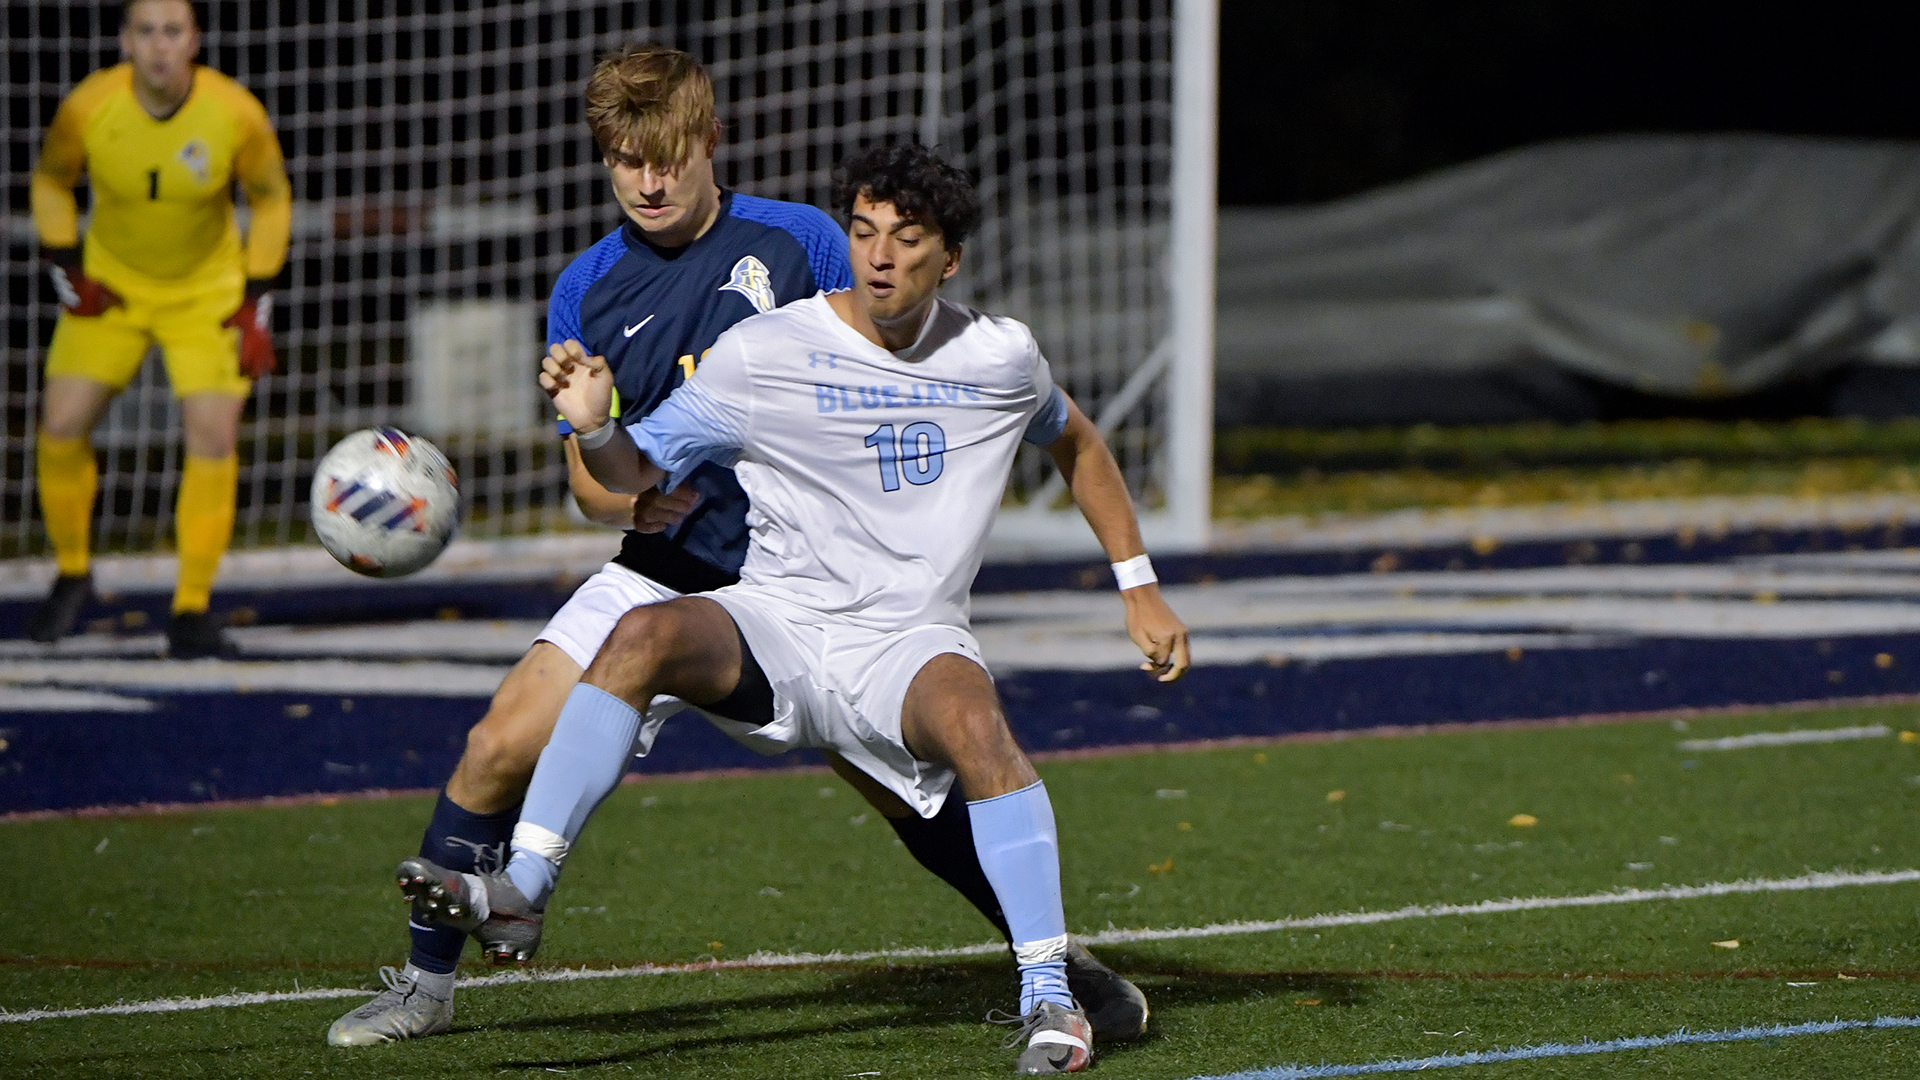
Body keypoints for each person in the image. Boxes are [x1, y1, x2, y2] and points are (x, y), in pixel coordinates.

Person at [328, 47, 1148, 1047]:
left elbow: (890, 344)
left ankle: (1060, 974)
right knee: (497, 743)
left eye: (668, 155)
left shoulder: (804, 243)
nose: (650, 181)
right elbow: (596, 485)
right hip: (673, 575)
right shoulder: (587, 288)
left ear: (713, 145)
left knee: (918, 800)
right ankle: (426, 984)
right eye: (626, 160)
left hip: (818, 580)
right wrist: (610, 475)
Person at [28, 0, 291, 658]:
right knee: (61, 424)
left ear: (194, 39)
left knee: (213, 433)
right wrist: (64, 260)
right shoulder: (89, 107)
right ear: (125, 41)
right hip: (113, 287)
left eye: (172, 31)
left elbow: (271, 196)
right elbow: (52, 181)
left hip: (206, 293)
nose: (159, 47)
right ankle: (72, 571)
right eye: (145, 31)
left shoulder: (234, 113)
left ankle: (190, 609)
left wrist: (256, 293)